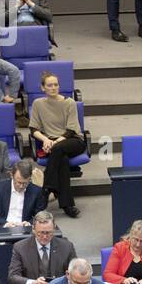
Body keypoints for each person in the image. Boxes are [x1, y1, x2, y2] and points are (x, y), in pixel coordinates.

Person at [28, 70, 86, 218]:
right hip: (53, 145)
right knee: (62, 160)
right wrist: (46, 140)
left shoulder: (69, 102)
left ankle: (46, 187)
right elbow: (33, 129)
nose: (53, 87)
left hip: (72, 141)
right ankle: (67, 205)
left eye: (56, 85)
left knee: (59, 150)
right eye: (49, 85)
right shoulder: (38, 104)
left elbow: (72, 130)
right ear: (43, 88)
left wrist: (53, 143)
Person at [8, 211, 76, 284]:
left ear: (54, 228)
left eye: (48, 233)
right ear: (33, 229)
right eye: (40, 233)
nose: (44, 236)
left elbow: (75, 273)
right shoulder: (20, 247)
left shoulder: (66, 246)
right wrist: (33, 283)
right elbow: (13, 276)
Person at [0, 160, 45, 231]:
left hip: (25, 231)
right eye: (19, 182)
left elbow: (40, 215)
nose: (21, 186)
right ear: (12, 175)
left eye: (25, 183)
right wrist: (5, 224)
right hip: (3, 229)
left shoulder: (36, 191)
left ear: (30, 178)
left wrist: (29, 223)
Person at [103, 219, 142, 284]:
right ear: (130, 235)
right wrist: (124, 280)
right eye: (135, 239)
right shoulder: (119, 248)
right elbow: (108, 274)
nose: (138, 244)